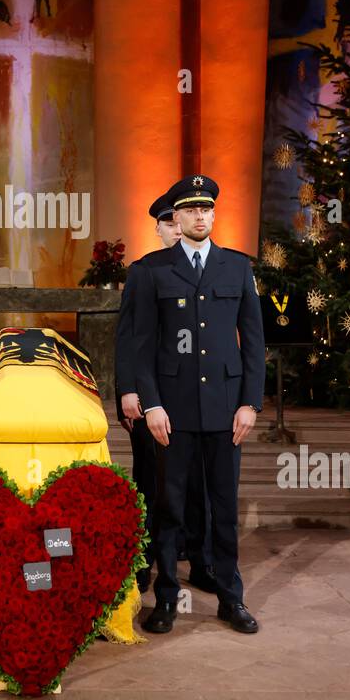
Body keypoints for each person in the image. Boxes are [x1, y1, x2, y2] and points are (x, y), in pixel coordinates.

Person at [134, 175, 265, 635]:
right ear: (175, 217)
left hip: (227, 410)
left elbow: (253, 343)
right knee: (170, 509)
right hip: (172, 412)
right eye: (190, 210)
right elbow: (142, 347)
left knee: (224, 509)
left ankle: (232, 599)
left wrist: (250, 402)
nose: (199, 217)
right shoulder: (153, 270)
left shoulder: (236, 267)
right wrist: (151, 404)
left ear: (214, 214)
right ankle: (167, 599)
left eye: (206, 209)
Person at [115, 193, 181, 593]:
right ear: (157, 228)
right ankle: (144, 559)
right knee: (151, 483)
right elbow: (128, 338)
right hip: (148, 393)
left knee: (192, 484)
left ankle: (195, 556)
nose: (176, 227)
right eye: (169, 222)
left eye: (181, 220)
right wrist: (127, 391)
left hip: (189, 395)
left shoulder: (207, 270)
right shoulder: (143, 272)